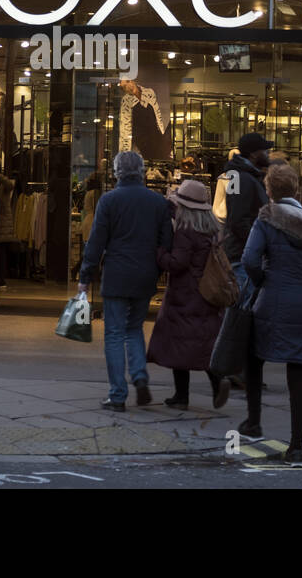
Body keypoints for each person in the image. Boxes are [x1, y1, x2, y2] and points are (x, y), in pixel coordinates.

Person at [240, 163, 302, 466]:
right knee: (299, 372)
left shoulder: (267, 218)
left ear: (269, 190)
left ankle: (254, 421)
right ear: (295, 189)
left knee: (254, 358)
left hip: (271, 300)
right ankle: (296, 446)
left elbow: (250, 258)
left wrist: (261, 280)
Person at [78, 149, 172, 411]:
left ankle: (118, 394)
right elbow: (166, 242)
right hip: (145, 274)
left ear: (117, 172)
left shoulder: (109, 201)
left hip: (117, 274)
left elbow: (96, 242)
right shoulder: (157, 202)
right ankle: (140, 377)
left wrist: (85, 274)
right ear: (141, 171)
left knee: (114, 333)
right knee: (134, 328)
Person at [147, 180, 231, 410]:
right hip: (207, 293)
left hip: (185, 295)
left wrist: (160, 253)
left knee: (178, 345)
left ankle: (181, 396)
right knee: (202, 343)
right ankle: (217, 382)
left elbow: (177, 263)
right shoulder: (211, 228)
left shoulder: (186, 231)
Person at [220, 133, 272, 305]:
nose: (268, 154)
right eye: (265, 150)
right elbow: (237, 219)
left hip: (240, 254)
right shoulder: (242, 177)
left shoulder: (242, 175)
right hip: (241, 256)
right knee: (241, 312)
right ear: (254, 154)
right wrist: (256, 243)